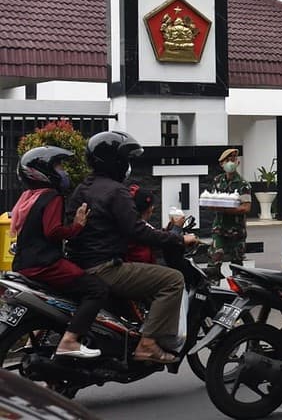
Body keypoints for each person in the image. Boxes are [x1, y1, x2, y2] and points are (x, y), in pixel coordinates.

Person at [66, 131, 187, 364]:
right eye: (126, 159)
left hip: (80, 264)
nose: (128, 165)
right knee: (173, 280)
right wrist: (177, 239)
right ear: (116, 160)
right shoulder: (116, 190)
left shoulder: (83, 187)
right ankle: (148, 343)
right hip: (105, 267)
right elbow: (137, 230)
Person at [10, 146, 107, 359]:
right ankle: (70, 341)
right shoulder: (52, 196)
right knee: (96, 289)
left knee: (60, 297)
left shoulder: (28, 197)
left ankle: (35, 336)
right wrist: (77, 226)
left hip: (24, 264)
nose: (63, 170)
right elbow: (53, 231)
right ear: (44, 171)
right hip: (46, 264)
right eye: (58, 166)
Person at [207, 148, 252, 280]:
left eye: (233, 160)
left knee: (237, 267)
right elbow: (212, 200)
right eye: (228, 160)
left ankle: (239, 295)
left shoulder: (244, 185)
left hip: (237, 231)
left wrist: (226, 209)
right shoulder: (217, 180)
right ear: (222, 164)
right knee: (214, 264)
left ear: (237, 163)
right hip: (219, 229)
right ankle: (212, 293)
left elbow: (246, 208)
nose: (231, 163)